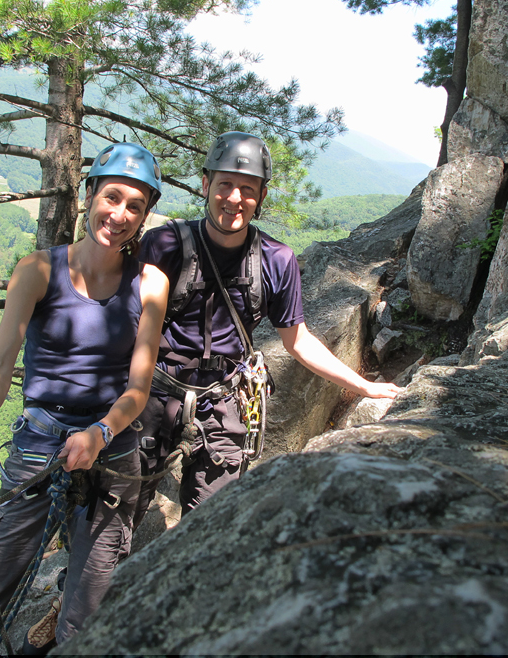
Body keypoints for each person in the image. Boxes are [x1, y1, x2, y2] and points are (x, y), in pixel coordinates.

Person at [0, 142, 169, 656]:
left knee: (85, 618)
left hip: (112, 455)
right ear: (89, 195)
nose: (119, 215)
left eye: (135, 207)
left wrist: (100, 433)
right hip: (38, 448)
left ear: (145, 216)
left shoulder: (150, 284)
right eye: (112, 197)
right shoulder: (37, 269)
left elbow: (138, 388)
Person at [135, 131, 401, 519]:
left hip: (223, 399)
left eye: (248, 188)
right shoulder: (164, 245)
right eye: (225, 184)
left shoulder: (276, 260)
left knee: (213, 524)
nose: (235, 198)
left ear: (261, 197)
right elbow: (129, 326)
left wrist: (363, 386)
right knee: (116, 514)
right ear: (206, 184)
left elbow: (298, 340)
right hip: (155, 391)